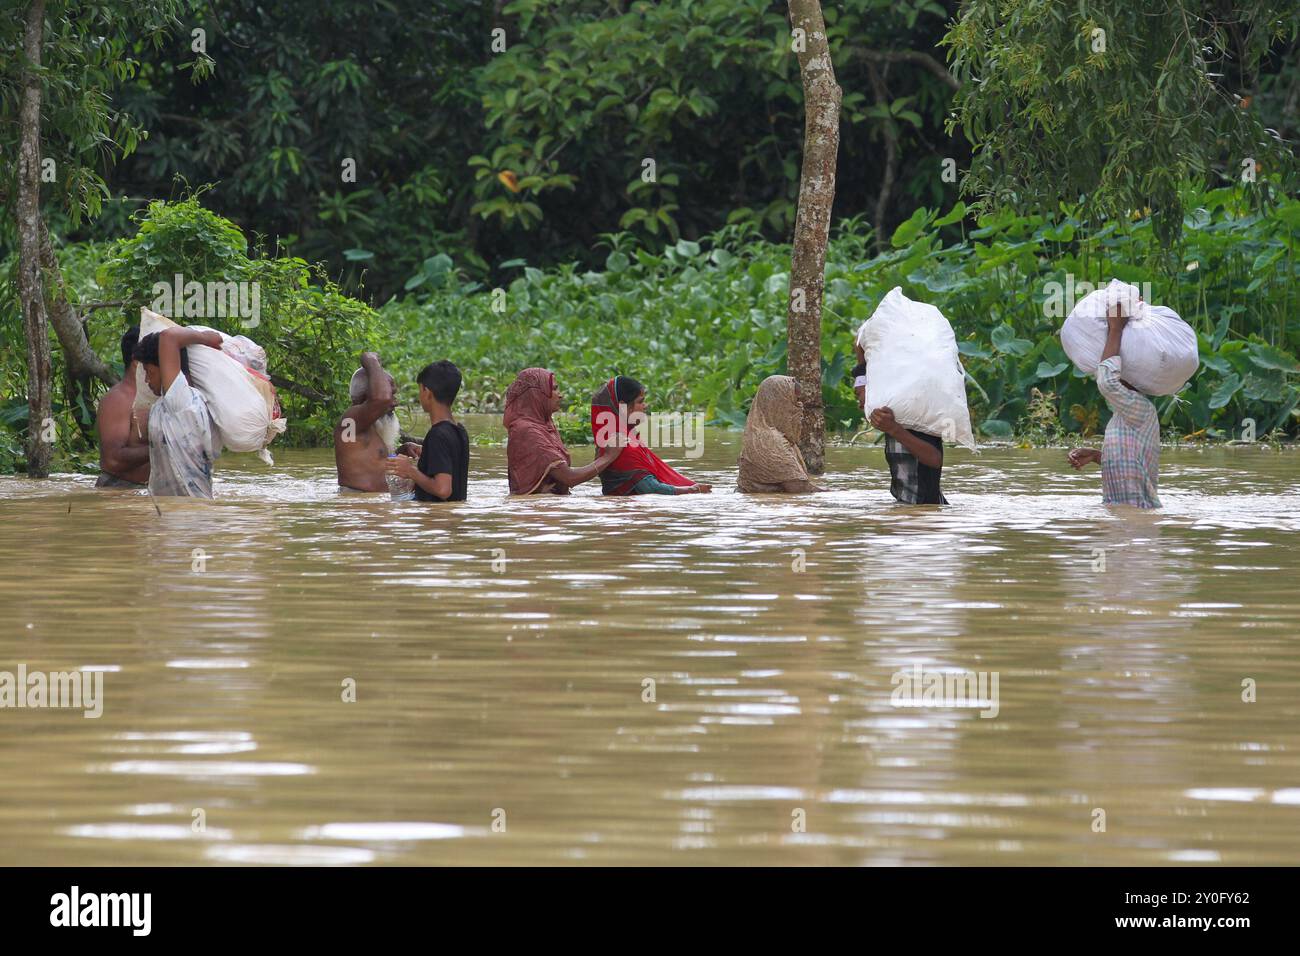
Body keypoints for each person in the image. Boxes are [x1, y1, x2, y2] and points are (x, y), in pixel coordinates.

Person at [1067, 302, 1162, 508]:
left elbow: (1107, 381)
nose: (1113, 371)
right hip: (1126, 515)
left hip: (1135, 521)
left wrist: (1116, 328)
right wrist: (1094, 456)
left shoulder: (1141, 409)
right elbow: (1130, 463)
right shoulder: (1125, 414)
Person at [132, 326, 222, 498]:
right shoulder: (167, 405)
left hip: (187, 516)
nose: (146, 380)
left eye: (149, 372)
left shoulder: (183, 402)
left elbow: (169, 337)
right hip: (175, 511)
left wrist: (204, 338)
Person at [853, 342, 947, 504]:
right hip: (905, 509)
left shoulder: (916, 415)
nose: (859, 404)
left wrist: (894, 429)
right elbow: (860, 346)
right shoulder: (892, 414)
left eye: (858, 395)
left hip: (924, 512)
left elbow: (935, 459)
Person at [503, 367, 620, 494]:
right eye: (554, 389)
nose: (560, 395)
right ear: (537, 394)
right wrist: (608, 456)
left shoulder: (545, 424)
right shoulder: (527, 430)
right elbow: (570, 478)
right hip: (536, 509)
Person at [590, 375, 711, 495]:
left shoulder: (612, 441)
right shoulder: (622, 446)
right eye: (640, 401)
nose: (645, 405)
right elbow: (650, 489)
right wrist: (692, 490)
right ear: (623, 407)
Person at [334, 351, 420, 497]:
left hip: (372, 504)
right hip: (360, 506)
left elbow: (370, 462)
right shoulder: (350, 419)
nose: (394, 402)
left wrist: (401, 450)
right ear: (367, 396)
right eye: (390, 394)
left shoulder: (367, 427)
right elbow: (382, 399)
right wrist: (370, 359)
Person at [386, 360, 469, 502]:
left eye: (420, 390)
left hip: (436, 520)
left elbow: (443, 490)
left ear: (427, 392)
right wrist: (427, 453)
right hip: (452, 518)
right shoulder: (459, 431)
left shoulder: (437, 435)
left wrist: (410, 471)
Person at [737, 375, 827, 493]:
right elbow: (797, 487)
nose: (800, 407)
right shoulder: (770, 440)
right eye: (796, 401)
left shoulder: (766, 435)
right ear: (779, 403)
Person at [94, 325, 150, 488]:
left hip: (146, 493)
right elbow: (113, 461)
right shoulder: (118, 400)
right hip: (120, 490)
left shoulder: (157, 395)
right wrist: (161, 448)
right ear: (136, 360)